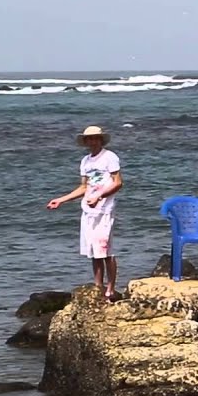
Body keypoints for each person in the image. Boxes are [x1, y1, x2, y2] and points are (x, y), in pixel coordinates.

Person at [48, 126, 124, 301]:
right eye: (89, 139)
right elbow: (84, 187)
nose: (93, 141)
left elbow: (118, 183)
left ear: (101, 139)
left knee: (106, 250)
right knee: (93, 251)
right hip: (89, 210)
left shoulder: (109, 157)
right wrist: (61, 199)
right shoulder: (86, 161)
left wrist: (99, 196)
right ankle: (98, 287)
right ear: (86, 141)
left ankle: (110, 289)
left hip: (105, 210)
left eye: (96, 138)